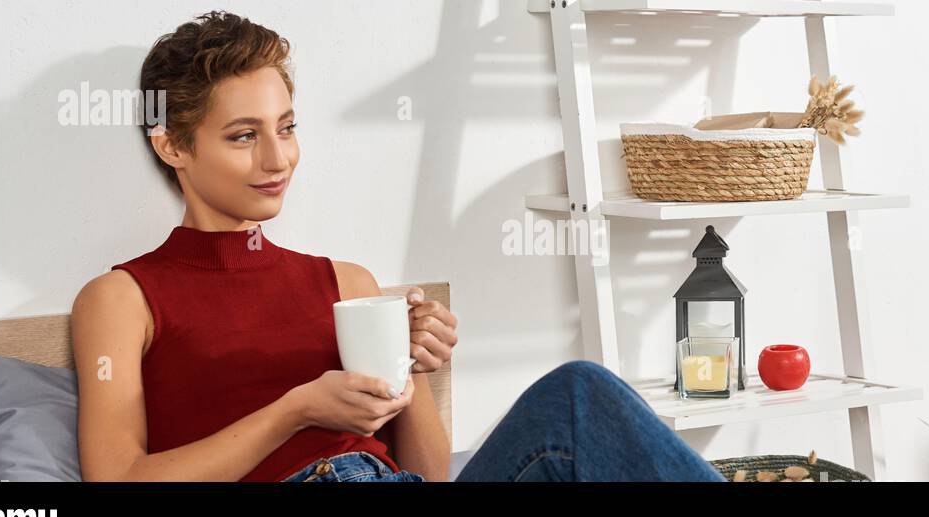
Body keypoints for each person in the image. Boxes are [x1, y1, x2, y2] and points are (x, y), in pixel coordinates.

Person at [70, 10, 726, 483]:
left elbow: (428, 474)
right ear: (174, 145)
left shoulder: (348, 284)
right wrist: (295, 412)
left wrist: (412, 369)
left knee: (581, 395)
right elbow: (120, 479)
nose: (278, 158)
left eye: (288, 127)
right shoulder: (123, 298)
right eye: (243, 135)